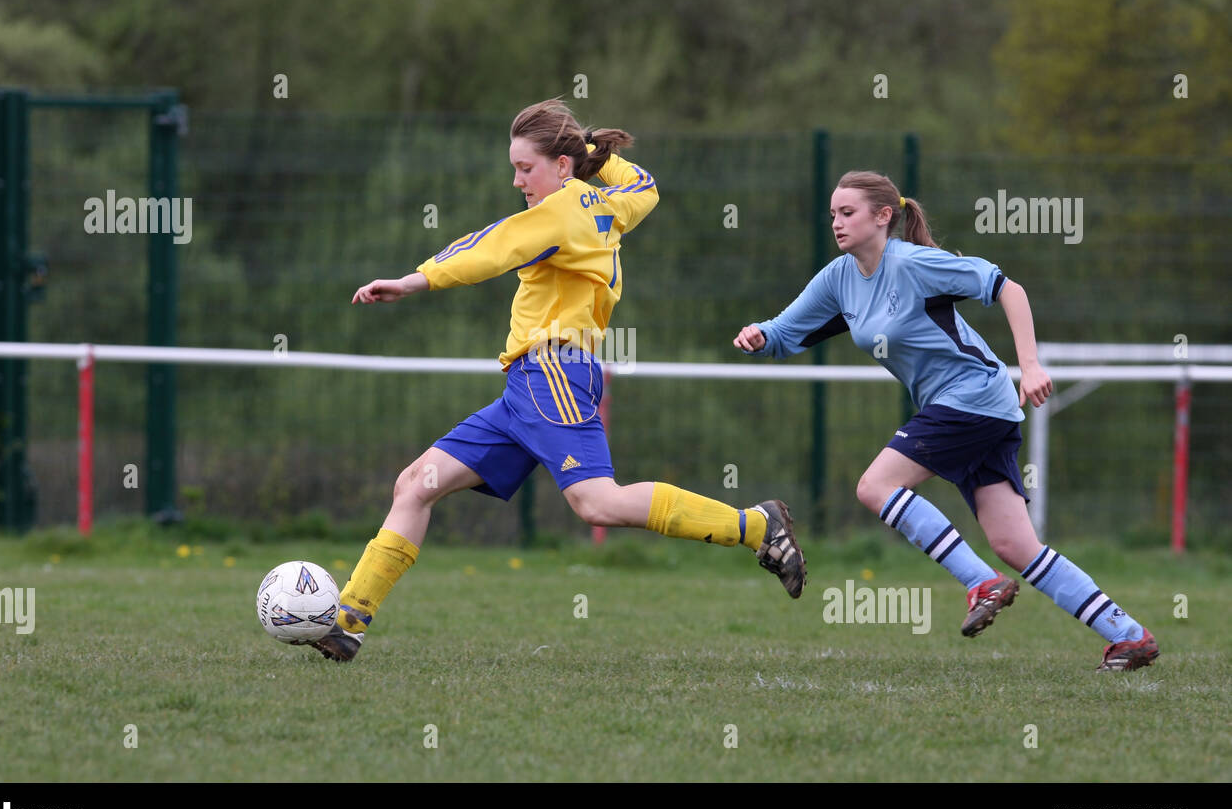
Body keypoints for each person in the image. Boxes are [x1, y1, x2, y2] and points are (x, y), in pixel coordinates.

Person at [310, 99, 804, 661]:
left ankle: (754, 526)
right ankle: (347, 621)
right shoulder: (609, 205)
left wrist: (413, 280)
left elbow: (488, 248)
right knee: (416, 484)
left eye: (527, 168)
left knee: (598, 503)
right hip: (526, 385)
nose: (519, 180)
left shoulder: (559, 211)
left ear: (562, 166)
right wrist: (593, 149)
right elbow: (644, 183)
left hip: (553, 374)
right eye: (515, 168)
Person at [733, 171, 1159, 672]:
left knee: (875, 486)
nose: (837, 223)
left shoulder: (914, 263)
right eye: (832, 214)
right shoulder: (839, 278)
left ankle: (981, 583)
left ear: (883, 216)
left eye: (847, 213)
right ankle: (1128, 636)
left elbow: (1008, 288)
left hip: (974, 396)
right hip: (973, 408)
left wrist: (1031, 366)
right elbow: (786, 330)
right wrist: (759, 334)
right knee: (1015, 545)